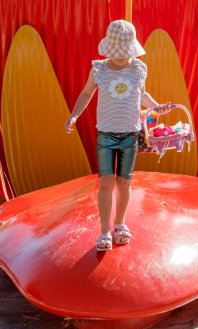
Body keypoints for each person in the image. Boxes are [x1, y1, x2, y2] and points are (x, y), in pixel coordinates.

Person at [64, 20, 160, 252]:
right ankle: (105, 230)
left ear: (132, 49)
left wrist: (157, 106)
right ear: (108, 48)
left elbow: (142, 95)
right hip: (106, 134)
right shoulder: (100, 69)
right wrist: (74, 115)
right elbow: (87, 93)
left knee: (124, 183)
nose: (120, 57)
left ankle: (120, 224)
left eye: (125, 52)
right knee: (106, 183)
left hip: (130, 133)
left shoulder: (139, 68)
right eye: (116, 52)